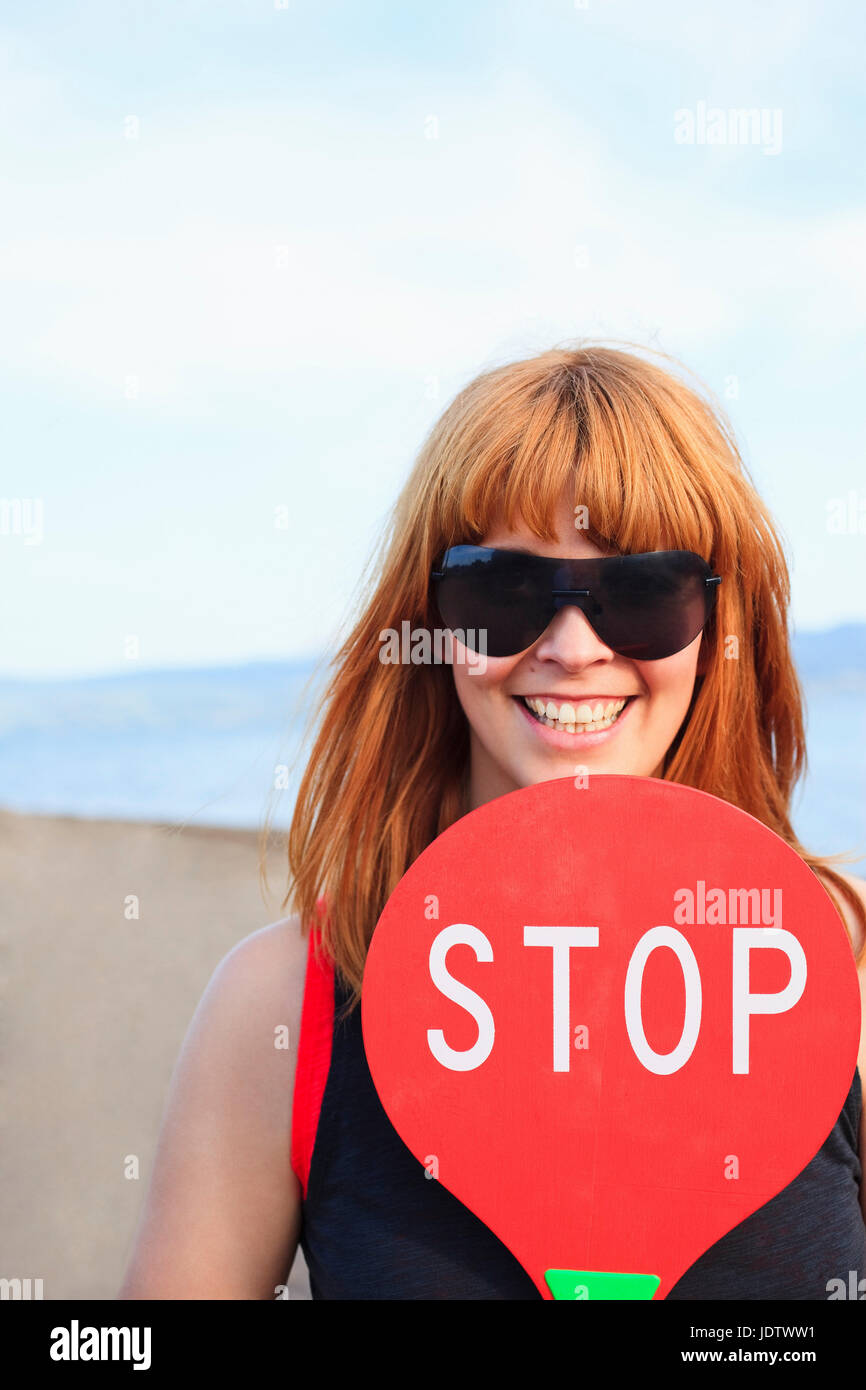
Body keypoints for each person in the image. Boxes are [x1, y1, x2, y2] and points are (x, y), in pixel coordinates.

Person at [119, 343, 866, 1300]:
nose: (572, 648)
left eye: (642, 592)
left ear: (723, 625)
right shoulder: (288, 1002)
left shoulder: (836, 966)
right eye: (502, 592)